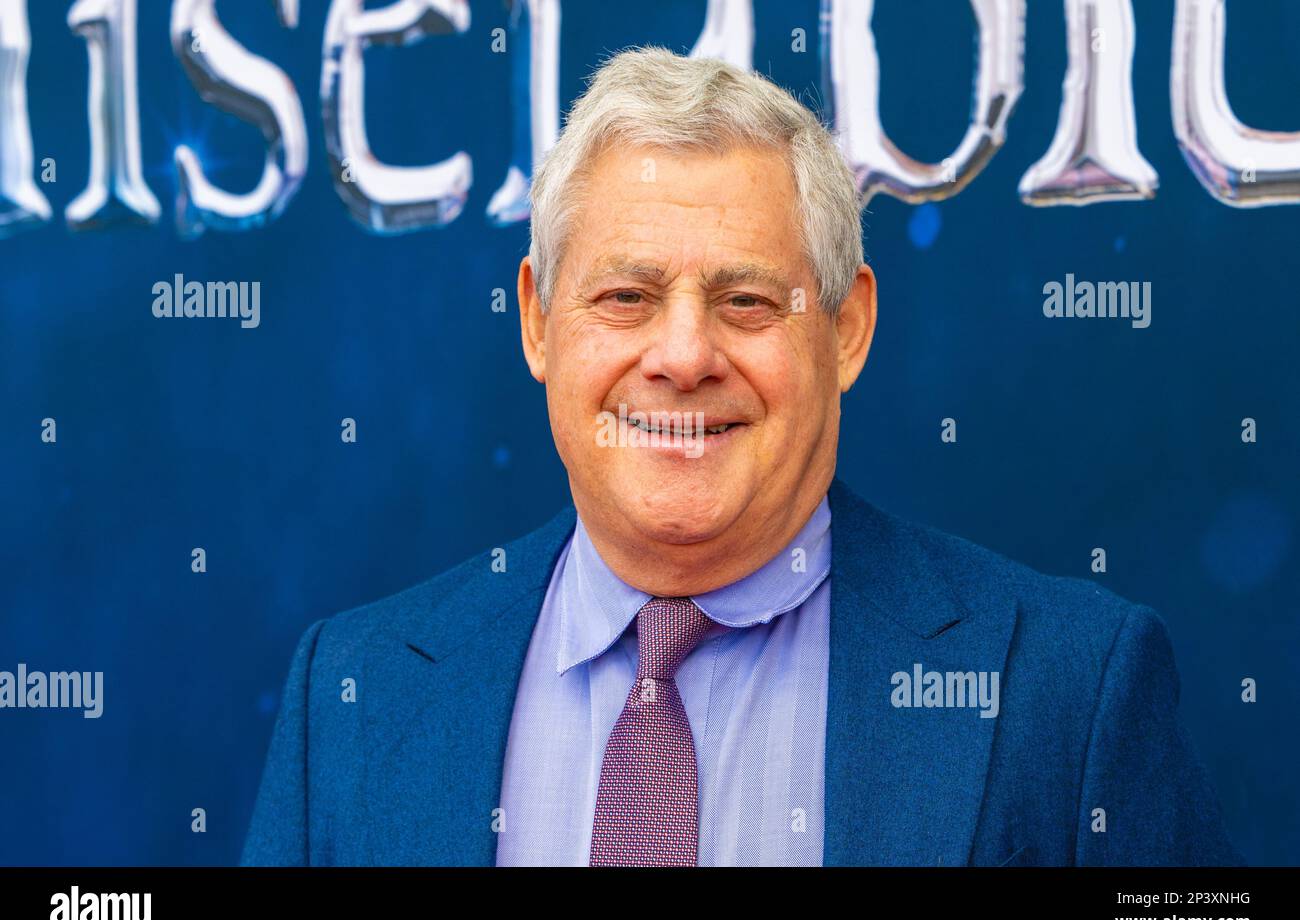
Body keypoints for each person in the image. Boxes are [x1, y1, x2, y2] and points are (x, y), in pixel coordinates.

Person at [241, 47, 1242, 867]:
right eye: (624, 297)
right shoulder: (355, 691)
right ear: (539, 324)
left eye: (747, 302)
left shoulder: (1068, 688)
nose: (682, 356)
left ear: (846, 329)